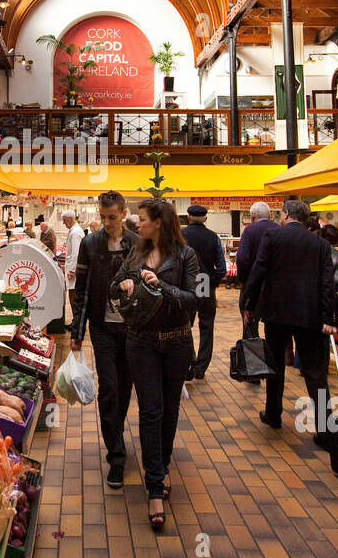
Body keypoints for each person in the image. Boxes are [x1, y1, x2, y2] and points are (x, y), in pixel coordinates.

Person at [112, 199, 198, 532]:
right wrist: (124, 287)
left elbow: (195, 298)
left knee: (170, 410)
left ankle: (160, 466)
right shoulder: (134, 255)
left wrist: (159, 286)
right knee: (150, 410)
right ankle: (154, 487)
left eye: (143, 219)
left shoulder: (185, 256)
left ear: (159, 222)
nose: (137, 223)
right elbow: (114, 290)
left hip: (177, 341)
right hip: (142, 341)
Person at [240, 200, 338, 444]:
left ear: (285, 215)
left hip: (277, 312)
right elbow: (328, 284)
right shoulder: (320, 245)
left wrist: (250, 306)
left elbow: (258, 272)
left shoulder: (273, 237)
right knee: (315, 373)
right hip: (310, 315)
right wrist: (327, 318)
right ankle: (325, 430)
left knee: (275, 365)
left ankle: (273, 414)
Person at [70, 192, 139, 491]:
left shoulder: (137, 244)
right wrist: (77, 332)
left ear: (123, 213)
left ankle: (115, 430)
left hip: (133, 328)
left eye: (113, 216)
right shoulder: (90, 243)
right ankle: (116, 457)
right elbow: (82, 290)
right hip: (103, 328)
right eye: (103, 216)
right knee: (109, 387)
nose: (108, 222)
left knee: (125, 387)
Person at [181, 204, 225, 381]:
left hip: (186, 285)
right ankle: (201, 367)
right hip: (206, 283)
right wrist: (212, 281)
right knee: (206, 326)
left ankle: (189, 362)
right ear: (205, 218)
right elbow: (221, 268)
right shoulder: (213, 237)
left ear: (189, 217)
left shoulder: (181, 235)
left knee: (185, 325)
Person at [235, 201, 275, 338]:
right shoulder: (279, 230)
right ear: (269, 216)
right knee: (275, 328)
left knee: (250, 324)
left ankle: (253, 357)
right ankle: (273, 357)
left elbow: (242, 259)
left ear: (252, 217)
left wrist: (243, 281)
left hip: (254, 287)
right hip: (275, 287)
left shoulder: (250, 231)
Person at [62, 209, 85, 297]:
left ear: (70, 219)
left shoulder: (75, 232)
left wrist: (72, 270)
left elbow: (76, 253)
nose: (63, 223)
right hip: (73, 269)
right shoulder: (74, 230)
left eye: (64, 220)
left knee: (74, 296)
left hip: (74, 272)